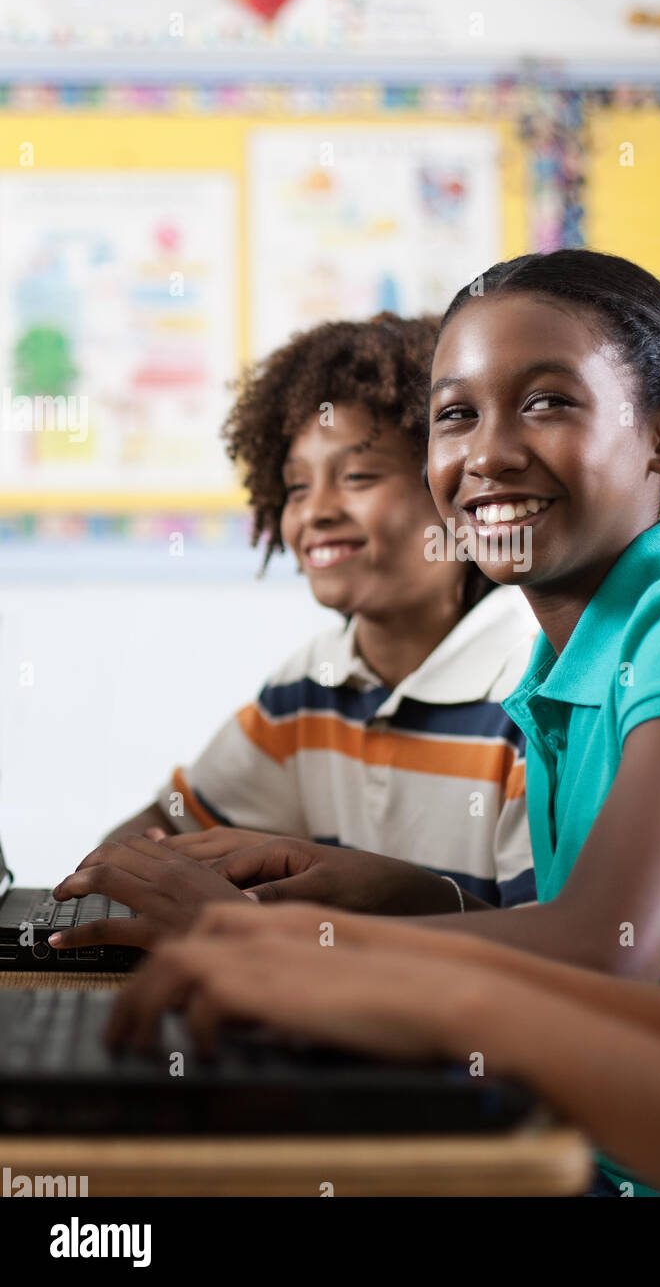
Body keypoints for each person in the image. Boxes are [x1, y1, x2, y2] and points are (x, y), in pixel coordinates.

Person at [105, 15, 660, 1196]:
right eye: (452, 415)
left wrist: (333, 954)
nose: (484, 455)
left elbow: (621, 950)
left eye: (545, 403)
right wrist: (381, 907)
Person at [51, 314, 538, 951]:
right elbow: (161, 828)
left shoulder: (535, 687)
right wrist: (124, 872)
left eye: (358, 477)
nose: (315, 512)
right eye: (295, 487)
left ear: (455, 483)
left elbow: (549, 953)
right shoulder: (312, 685)